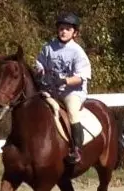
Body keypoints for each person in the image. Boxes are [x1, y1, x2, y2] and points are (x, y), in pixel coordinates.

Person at [35, 12, 92, 164]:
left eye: (68, 29)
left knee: (72, 112)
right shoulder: (48, 47)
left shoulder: (78, 52)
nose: (64, 31)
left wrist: (64, 81)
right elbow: (39, 63)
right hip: (51, 90)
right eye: (61, 28)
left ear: (75, 32)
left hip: (72, 92)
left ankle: (77, 150)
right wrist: (41, 72)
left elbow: (81, 77)